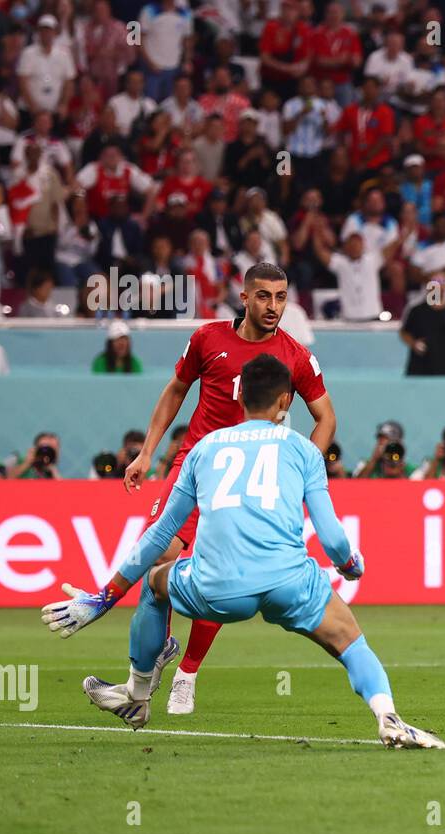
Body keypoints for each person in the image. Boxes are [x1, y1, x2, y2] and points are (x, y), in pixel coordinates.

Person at [41, 355, 442, 749]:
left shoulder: (204, 448)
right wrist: (350, 565)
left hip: (216, 588)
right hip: (288, 581)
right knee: (352, 642)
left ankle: (138, 694)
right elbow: (332, 537)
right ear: (286, 400)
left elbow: (161, 533)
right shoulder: (302, 450)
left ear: (238, 396)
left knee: (154, 583)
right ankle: (388, 717)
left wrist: (105, 597)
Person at [121, 262, 337, 716]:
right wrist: (146, 452)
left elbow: (327, 418)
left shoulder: (295, 355)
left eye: (280, 297)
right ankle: (157, 655)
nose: (273, 306)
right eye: (264, 296)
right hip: (195, 466)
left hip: (244, 479)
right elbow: (176, 390)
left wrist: (303, 473)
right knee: (160, 554)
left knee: (219, 574)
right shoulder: (208, 338)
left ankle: (188, 671)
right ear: (244, 297)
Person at [400, 272, 445, 375]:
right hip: (419, 368)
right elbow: (404, 333)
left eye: (441, 282)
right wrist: (414, 344)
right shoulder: (415, 310)